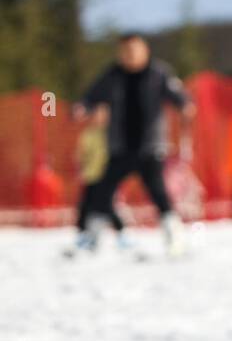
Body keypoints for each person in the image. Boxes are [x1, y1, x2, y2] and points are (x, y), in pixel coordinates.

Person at [73, 32, 195, 256]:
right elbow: (91, 96)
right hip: (120, 146)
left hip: (151, 147)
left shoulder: (159, 73)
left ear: (144, 51)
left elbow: (179, 95)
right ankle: (91, 239)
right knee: (102, 192)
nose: (129, 55)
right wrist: (83, 107)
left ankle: (174, 237)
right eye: (125, 51)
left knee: (158, 192)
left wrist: (185, 105)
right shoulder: (112, 75)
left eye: (133, 50)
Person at [68, 105, 130, 252]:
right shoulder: (88, 134)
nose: (99, 117)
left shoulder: (111, 134)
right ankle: (82, 235)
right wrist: (81, 167)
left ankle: (121, 233)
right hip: (90, 175)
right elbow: (82, 154)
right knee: (85, 206)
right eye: (96, 114)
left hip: (106, 176)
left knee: (106, 205)